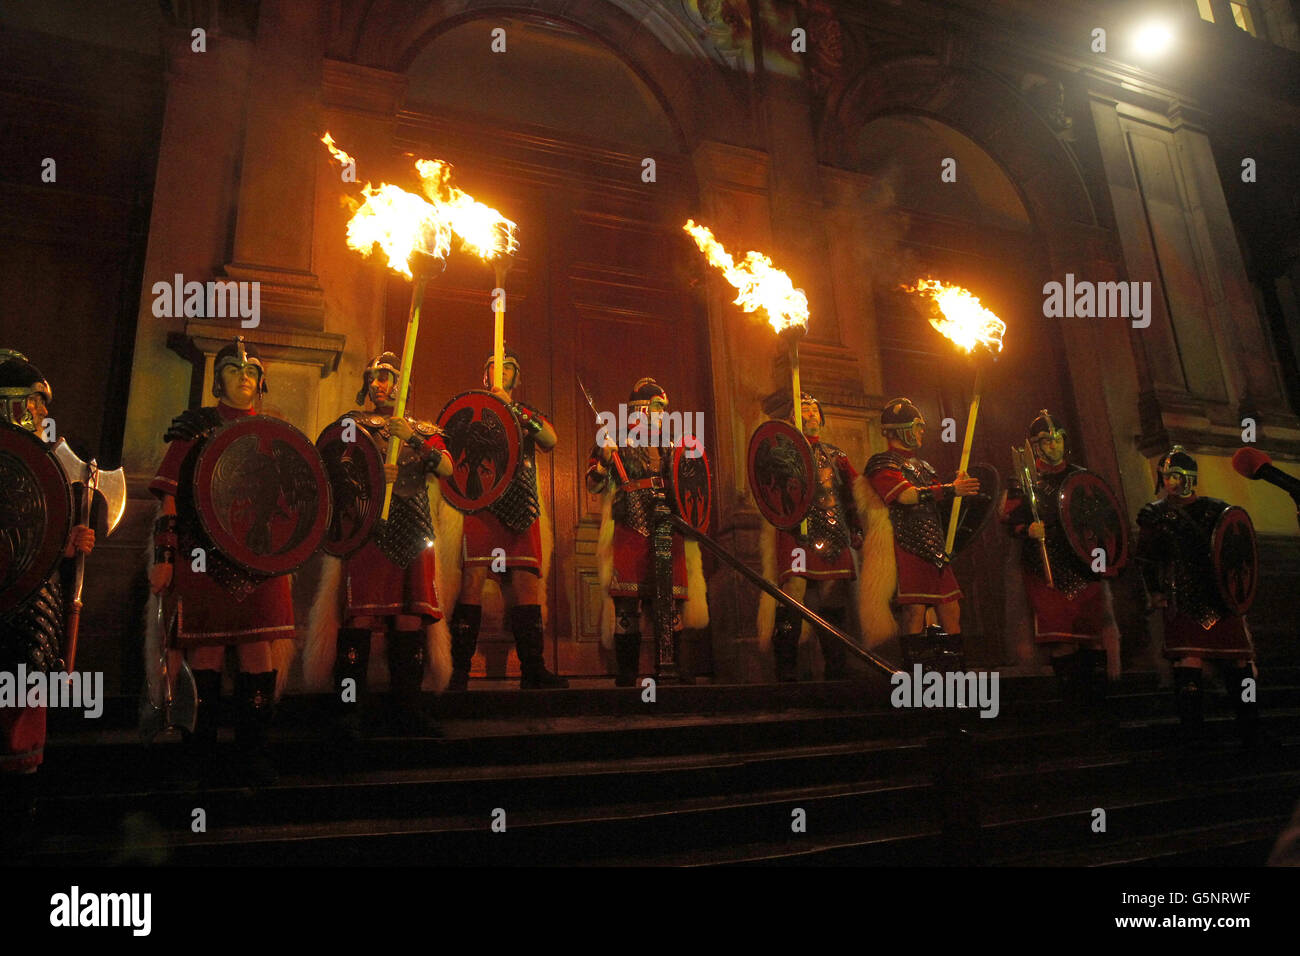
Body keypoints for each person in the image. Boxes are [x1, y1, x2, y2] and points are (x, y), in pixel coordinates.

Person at [148, 337, 295, 784]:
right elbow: (169, 499)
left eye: (251, 371)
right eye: (234, 369)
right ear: (218, 380)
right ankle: (199, 754)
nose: (244, 377)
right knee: (206, 651)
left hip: (258, 558)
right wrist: (164, 556)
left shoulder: (276, 432)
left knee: (257, 651)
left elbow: (292, 505)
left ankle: (252, 754)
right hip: (203, 555)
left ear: (261, 383)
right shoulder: (196, 428)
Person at [308, 352, 452, 737]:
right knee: (360, 617)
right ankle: (349, 708)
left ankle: (407, 707)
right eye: (374, 377)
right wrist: (368, 472)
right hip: (368, 526)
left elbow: (447, 469)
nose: (379, 384)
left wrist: (415, 443)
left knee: (409, 617)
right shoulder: (352, 425)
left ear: (402, 383)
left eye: (387, 377)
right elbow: (331, 470)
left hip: (413, 527)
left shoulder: (421, 429)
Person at [0, 350, 95, 847]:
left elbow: (47, 521)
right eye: (34, 403)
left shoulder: (52, 460)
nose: (41, 414)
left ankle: (18, 828)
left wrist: (72, 538)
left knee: (25, 711)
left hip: (36, 599)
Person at [447, 348, 567, 690]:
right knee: (472, 581)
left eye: (508, 367)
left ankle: (533, 669)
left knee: (525, 584)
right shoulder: (473, 410)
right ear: (484, 375)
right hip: (481, 500)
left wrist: (512, 409)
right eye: (494, 367)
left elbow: (550, 439)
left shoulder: (527, 413)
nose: (501, 372)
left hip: (520, 502)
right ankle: (459, 671)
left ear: (518, 375)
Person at [1136, 446, 1260, 747]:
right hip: (1183, 595)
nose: (1170, 483)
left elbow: (1235, 552)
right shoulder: (1154, 515)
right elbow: (1147, 559)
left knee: (1239, 663)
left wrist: (1237, 595)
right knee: (1188, 661)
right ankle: (1193, 733)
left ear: (1190, 478)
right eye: (1166, 477)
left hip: (1221, 596)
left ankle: (1251, 729)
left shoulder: (1218, 511)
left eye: (1175, 476)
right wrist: (1155, 591)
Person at [1001, 409, 1121, 711]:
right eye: (1044, 441)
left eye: (1056, 439)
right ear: (1035, 446)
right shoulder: (1025, 481)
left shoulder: (1081, 479)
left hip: (1082, 564)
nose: (1052, 446)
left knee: (1091, 638)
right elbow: (1009, 518)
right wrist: (1026, 528)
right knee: (1062, 639)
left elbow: (1102, 522)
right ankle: (1074, 709)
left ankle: (1098, 708)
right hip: (1046, 566)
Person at [863, 397, 979, 669]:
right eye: (916, 426)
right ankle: (916, 677)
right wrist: (951, 489)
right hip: (906, 545)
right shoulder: (883, 464)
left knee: (951, 609)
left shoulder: (924, 467)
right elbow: (905, 496)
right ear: (899, 429)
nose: (921, 432)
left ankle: (954, 673)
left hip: (934, 547)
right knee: (914, 611)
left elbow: (941, 499)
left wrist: (958, 487)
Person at [760, 393, 863, 680]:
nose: (811, 413)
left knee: (832, 599)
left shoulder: (837, 456)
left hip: (832, 530)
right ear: (793, 418)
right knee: (793, 592)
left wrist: (856, 527)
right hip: (795, 532)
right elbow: (768, 485)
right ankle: (787, 672)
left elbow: (853, 495)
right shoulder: (781, 454)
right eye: (804, 409)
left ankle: (836, 670)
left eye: (815, 409)